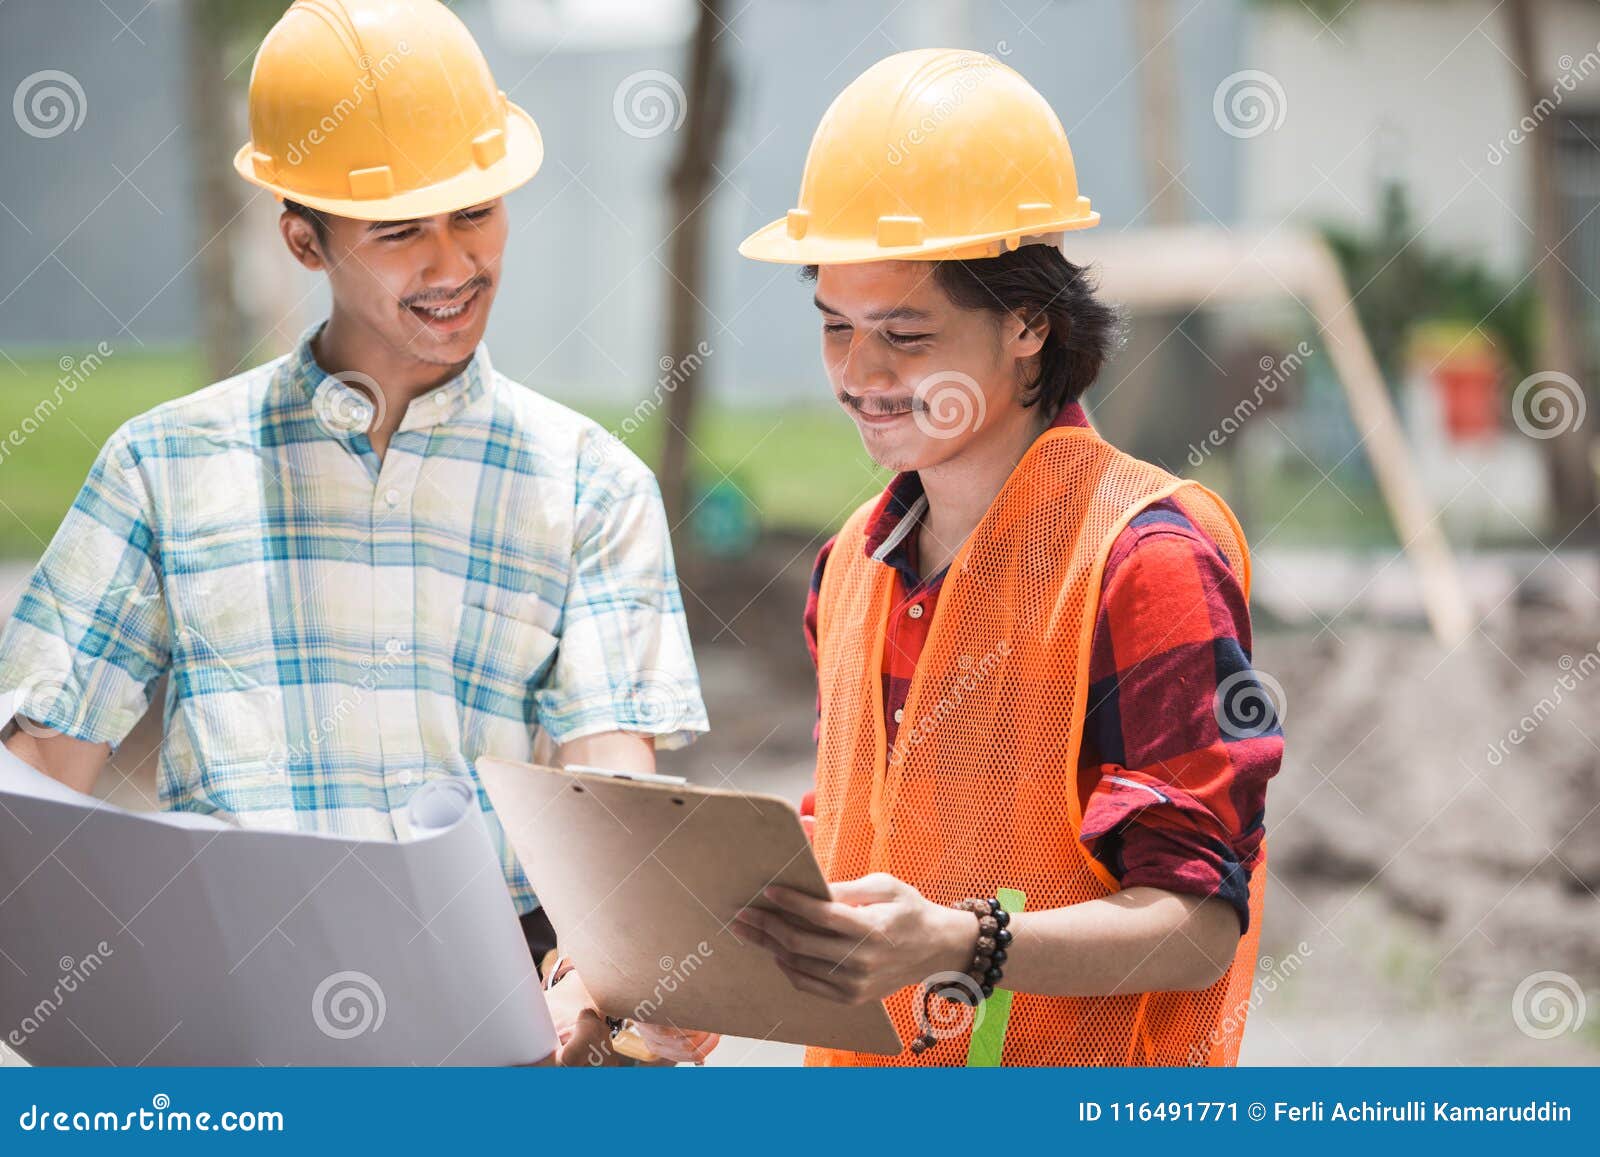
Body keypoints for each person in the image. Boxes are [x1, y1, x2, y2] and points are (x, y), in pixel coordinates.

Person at [0, 0, 712, 1066]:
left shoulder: (590, 484)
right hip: (233, 1025)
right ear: (303, 238)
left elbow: (608, 792)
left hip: (502, 1033)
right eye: (400, 231)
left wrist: (606, 983)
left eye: (474, 213)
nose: (453, 263)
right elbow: (39, 777)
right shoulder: (165, 469)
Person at [730, 49, 1283, 1066]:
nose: (860, 374)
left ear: (1028, 321)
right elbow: (861, 832)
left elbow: (1197, 925)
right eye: (835, 329)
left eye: (904, 332)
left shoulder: (1144, 561)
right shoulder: (850, 566)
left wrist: (959, 942)